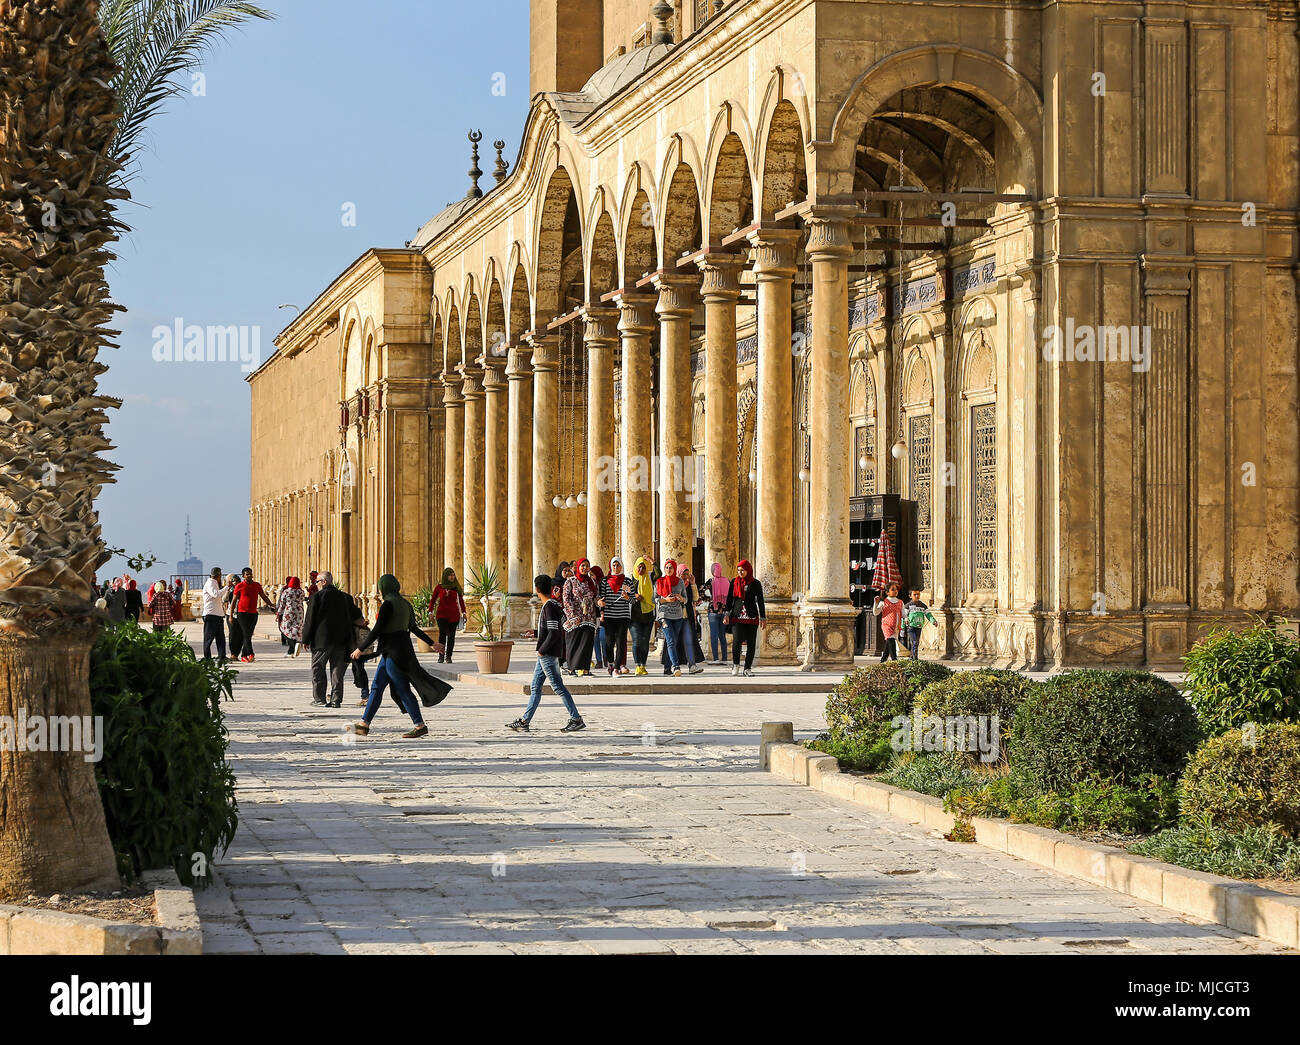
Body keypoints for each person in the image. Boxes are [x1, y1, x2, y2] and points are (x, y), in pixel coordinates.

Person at [349, 574, 451, 738]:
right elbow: (414, 628)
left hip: (393, 653)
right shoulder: (405, 604)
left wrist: (360, 648)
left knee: (402, 688)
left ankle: (419, 725)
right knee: (377, 687)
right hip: (397, 650)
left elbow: (377, 630)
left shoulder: (388, 604)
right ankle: (364, 724)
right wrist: (432, 643)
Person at [506, 575, 585, 733]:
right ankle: (524, 721)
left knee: (558, 687)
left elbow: (554, 632)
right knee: (535, 687)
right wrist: (536, 633)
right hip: (546, 653)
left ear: (537, 589)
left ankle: (576, 718)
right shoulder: (555, 605)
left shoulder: (549, 606)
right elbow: (558, 626)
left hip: (547, 654)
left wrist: (542, 650)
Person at [301, 570, 365, 708]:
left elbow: (309, 620)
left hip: (321, 641)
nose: (316, 584)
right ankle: (336, 699)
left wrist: (305, 639)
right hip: (342, 640)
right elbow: (357, 616)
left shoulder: (317, 597)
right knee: (337, 671)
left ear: (324, 582)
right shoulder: (345, 597)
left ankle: (319, 698)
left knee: (318, 668)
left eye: (317, 581)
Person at [654, 559, 697, 676]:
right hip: (664, 615)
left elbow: (686, 599)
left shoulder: (679, 582)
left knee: (671, 642)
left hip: (677, 616)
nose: (669, 570)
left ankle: (667, 668)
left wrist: (680, 598)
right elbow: (655, 599)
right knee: (671, 641)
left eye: (671, 568)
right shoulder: (659, 581)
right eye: (667, 568)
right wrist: (666, 600)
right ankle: (675, 666)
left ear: (674, 569)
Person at [725, 559, 766, 676]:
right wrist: (726, 614)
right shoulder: (734, 582)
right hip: (737, 617)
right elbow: (729, 599)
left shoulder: (756, 583)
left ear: (748, 570)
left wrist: (763, 617)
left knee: (751, 643)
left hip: (751, 617)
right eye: (738, 570)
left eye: (742, 570)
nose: (740, 572)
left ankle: (747, 668)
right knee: (737, 642)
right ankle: (736, 664)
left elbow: (760, 601)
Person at [562, 558, 599, 675]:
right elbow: (566, 599)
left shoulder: (592, 582)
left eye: (587, 566)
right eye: (582, 565)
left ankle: (585, 669)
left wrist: (599, 602)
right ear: (578, 567)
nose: (585, 568)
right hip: (575, 617)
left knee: (587, 643)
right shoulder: (570, 581)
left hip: (588, 617)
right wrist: (573, 615)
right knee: (574, 642)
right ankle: (572, 668)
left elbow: (596, 596)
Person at [231, 567, 275, 662]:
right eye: (247, 574)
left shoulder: (257, 585)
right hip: (242, 613)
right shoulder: (239, 586)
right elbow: (233, 601)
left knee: (248, 635)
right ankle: (251, 653)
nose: (249, 576)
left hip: (253, 614)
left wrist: (271, 605)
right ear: (243, 576)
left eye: (250, 574)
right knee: (246, 634)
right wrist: (230, 615)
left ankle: (243, 655)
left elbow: (264, 596)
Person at [599, 558, 633, 676]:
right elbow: (601, 597)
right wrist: (601, 607)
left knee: (621, 642)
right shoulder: (604, 581)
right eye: (613, 565)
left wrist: (627, 598)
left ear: (621, 566)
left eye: (618, 565)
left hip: (623, 616)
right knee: (609, 643)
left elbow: (633, 600)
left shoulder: (628, 581)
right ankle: (611, 662)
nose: (615, 568)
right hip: (609, 616)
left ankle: (617, 668)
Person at [429, 567, 467, 664]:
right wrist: (430, 612)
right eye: (450, 575)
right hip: (441, 615)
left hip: (454, 615)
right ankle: (441, 656)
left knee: (451, 636)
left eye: (453, 575)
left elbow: (461, 601)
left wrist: (464, 613)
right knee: (442, 635)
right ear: (446, 576)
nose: (452, 577)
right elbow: (432, 600)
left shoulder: (456, 587)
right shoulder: (439, 587)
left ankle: (449, 657)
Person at [629, 556, 655, 676]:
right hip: (634, 616)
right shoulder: (630, 579)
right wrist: (634, 596)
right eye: (639, 566)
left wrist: (651, 561)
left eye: (643, 567)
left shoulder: (649, 577)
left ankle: (643, 665)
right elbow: (625, 595)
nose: (641, 569)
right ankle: (637, 665)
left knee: (645, 642)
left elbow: (658, 573)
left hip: (648, 616)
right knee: (637, 641)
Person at [679, 566, 706, 666]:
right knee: (676, 640)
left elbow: (695, 598)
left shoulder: (689, 585)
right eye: (683, 574)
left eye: (687, 574)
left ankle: (692, 664)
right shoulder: (676, 584)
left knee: (689, 639)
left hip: (688, 616)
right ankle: (675, 663)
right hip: (676, 615)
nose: (685, 576)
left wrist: (693, 583)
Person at [200, 567, 229, 660]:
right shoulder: (210, 583)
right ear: (219, 575)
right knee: (208, 638)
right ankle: (207, 657)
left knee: (220, 638)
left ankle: (222, 656)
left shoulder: (214, 583)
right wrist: (227, 587)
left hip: (218, 615)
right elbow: (216, 594)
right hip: (211, 614)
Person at [902, 588, 938, 660]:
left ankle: (912, 657)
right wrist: (902, 628)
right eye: (914, 594)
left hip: (919, 627)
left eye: (918, 594)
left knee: (916, 642)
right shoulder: (908, 606)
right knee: (914, 641)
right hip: (910, 627)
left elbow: (928, 615)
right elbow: (903, 616)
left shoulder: (923, 606)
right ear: (910, 596)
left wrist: (933, 621)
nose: (917, 596)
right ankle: (915, 658)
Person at [873, 582, 905, 662]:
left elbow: (903, 614)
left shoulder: (900, 602)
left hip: (896, 626)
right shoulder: (883, 602)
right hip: (886, 625)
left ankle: (883, 660)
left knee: (889, 642)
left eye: (896, 589)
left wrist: (906, 620)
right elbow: (876, 613)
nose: (895, 591)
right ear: (887, 592)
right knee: (891, 641)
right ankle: (894, 660)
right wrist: (875, 604)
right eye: (893, 589)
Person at [276, 576, 306, 656]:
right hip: (299, 612)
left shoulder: (286, 592)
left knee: (285, 629)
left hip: (289, 612)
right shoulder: (301, 591)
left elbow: (282, 604)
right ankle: (295, 645)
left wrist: (278, 613)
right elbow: (302, 599)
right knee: (296, 628)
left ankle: (292, 647)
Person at [707, 562, 729, 664]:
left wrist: (710, 599)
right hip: (724, 611)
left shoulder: (711, 581)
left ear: (712, 571)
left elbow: (700, 592)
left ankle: (716, 658)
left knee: (714, 635)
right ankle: (724, 659)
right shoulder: (727, 581)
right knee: (722, 635)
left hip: (713, 610)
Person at [589, 564, 606, 670]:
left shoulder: (604, 584)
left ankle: (606, 657)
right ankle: (599, 660)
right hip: (594, 614)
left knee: (603, 638)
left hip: (603, 613)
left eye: (593, 574)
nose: (592, 577)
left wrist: (603, 612)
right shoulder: (590, 585)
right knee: (595, 638)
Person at [222, 573, 241, 659]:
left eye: (237, 581)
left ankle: (237, 653)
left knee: (240, 634)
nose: (235, 583)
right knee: (232, 633)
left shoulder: (242, 589)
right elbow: (224, 599)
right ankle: (233, 653)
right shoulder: (230, 590)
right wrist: (228, 589)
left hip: (241, 614)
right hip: (231, 614)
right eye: (233, 581)